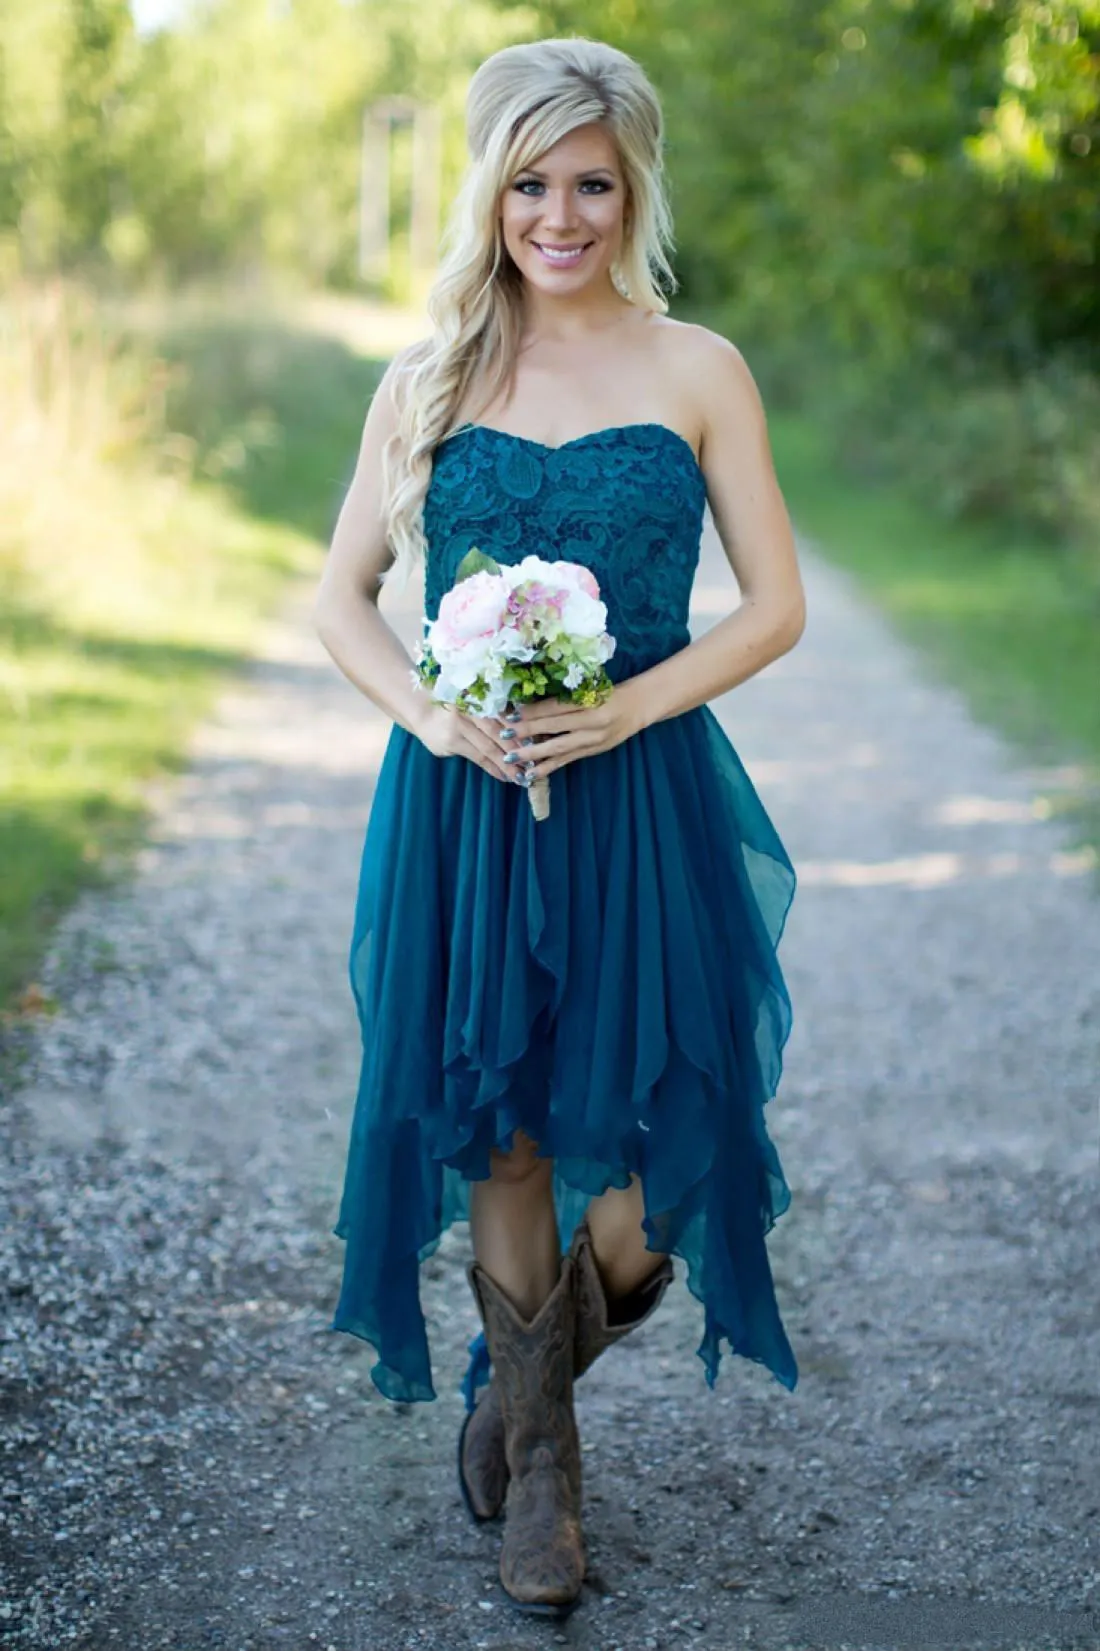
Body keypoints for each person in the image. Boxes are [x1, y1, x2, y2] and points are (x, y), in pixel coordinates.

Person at [313, 35, 806, 1621]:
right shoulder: (435, 375)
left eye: (593, 181)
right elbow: (344, 600)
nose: (561, 213)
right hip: (470, 805)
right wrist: (432, 712)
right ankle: (545, 1478)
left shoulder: (697, 369)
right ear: (490, 188)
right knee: (506, 1130)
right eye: (531, 181)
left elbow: (777, 606)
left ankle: (514, 1381)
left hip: (640, 798)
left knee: (651, 1185)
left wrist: (631, 708)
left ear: (635, 185)